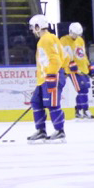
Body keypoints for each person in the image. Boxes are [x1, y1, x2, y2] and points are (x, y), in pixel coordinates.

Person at [26, 15, 69, 143]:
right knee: (36, 102)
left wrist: (51, 75)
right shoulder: (52, 38)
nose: (33, 31)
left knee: (52, 104)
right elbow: (65, 57)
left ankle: (59, 131)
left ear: (38, 27)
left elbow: (55, 60)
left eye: (33, 28)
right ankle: (41, 131)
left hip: (51, 76)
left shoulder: (45, 40)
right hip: (45, 78)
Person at [58, 22, 94, 119]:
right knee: (82, 89)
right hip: (73, 71)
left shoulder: (80, 40)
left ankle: (79, 110)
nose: (76, 36)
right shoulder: (64, 40)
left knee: (85, 89)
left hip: (83, 68)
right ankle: (85, 110)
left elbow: (83, 54)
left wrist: (89, 66)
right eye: (75, 34)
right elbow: (63, 54)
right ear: (70, 31)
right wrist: (70, 63)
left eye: (78, 34)